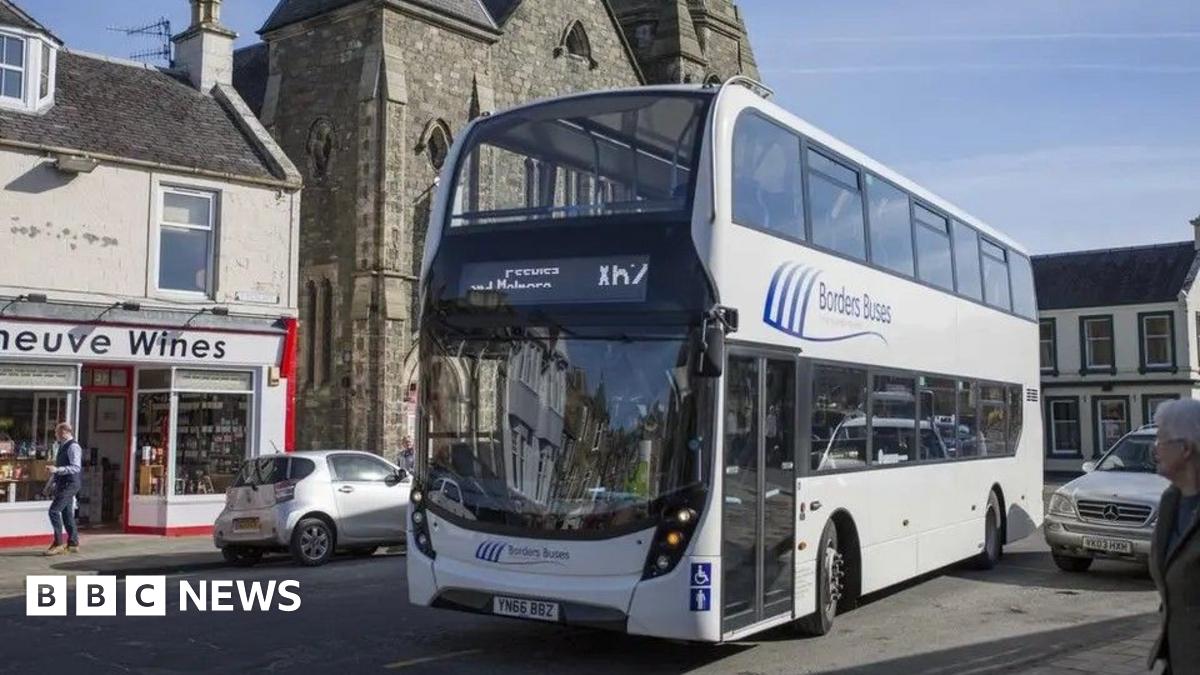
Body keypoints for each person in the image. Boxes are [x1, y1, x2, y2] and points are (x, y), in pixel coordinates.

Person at [1147, 399, 1200, 674]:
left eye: (1162, 440)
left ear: (1187, 449)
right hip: (1177, 659)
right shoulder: (1171, 502)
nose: (1156, 449)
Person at [43, 422, 82, 556]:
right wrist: (50, 484)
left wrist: (57, 469)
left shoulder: (73, 447)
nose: (55, 435)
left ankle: (58, 543)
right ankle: (73, 543)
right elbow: (58, 468)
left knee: (54, 511)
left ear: (65, 432)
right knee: (66, 514)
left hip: (70, 484)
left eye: (57, 432)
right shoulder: (62, 446)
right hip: (62, 483)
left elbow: (76, 467)